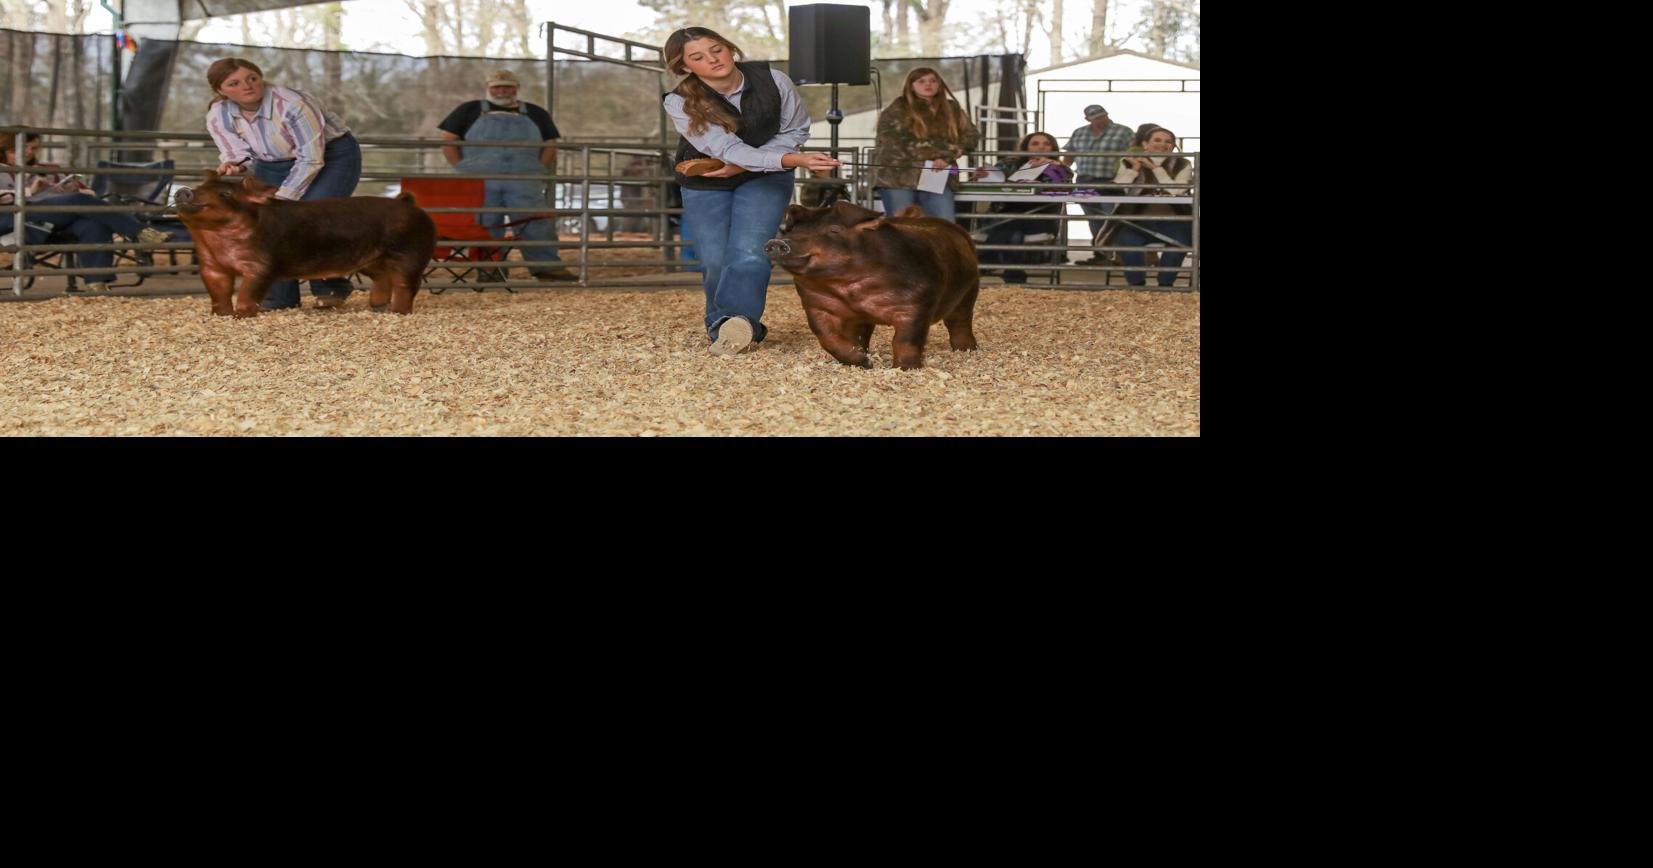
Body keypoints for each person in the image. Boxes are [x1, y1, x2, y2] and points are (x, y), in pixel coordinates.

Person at [661, 26, 841, 356]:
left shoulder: (774, 79)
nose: (712, 59)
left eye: (716, 49)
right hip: (707, 179)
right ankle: (723, 323)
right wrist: (790, 158)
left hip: (766, 177)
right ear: (686, 67)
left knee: (750, 251)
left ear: (730, 48)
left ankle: (737, 324)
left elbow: (795, 128)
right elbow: (725, 148)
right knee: (715, 259)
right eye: (698, 57)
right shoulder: (679, 101)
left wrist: (767, 161)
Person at [204, 57, 362, 310]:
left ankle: (330, 286)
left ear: (261, 78)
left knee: (315, 215)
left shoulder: (292, 103)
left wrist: (286, 197)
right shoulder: (218, 114)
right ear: (221, 91)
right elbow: (238, 152)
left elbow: (311, 158)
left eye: (252, 78)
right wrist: (235, 164)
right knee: (266, 223)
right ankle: (279, 298)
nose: (247, 86)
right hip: (273, 161)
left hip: (332, 156)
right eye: (234, 83)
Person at [438, 69, 574, 282]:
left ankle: (547, 267)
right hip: (480, 180)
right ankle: (491, 269)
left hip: (524, 179)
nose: (502, 91)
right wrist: (462, 167)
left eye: (508, 87)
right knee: (486, 224)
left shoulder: (536, 113)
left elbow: (550, 144)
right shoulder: (468, 110)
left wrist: (538, 168)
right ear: (488, 88)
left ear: (517, 88)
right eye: (497, 87)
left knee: (535, 222)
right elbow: (448, 139)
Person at [1, 131, 169, 293]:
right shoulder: (4, 171)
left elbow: (91, 195)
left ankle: (97, 283)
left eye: (33, 148)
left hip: (50, 221)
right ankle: (140, 232)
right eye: (21, 148)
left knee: (91, 222)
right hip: (16, 219)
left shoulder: (48, 169)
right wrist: (31, 191)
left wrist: (71, 191)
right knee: (78, 201)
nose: (29, 152)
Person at [871, 67, 978, 221]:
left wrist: (946, 158)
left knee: (944, 225)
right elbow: (893, 142)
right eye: (921, 81)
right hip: (899, 177)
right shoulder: (898, 108)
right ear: (911, 85)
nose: (928, 84)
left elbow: (971, 136)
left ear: (940, 85)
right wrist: (945, 153)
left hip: (938, 175)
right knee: (902, 226)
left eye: (933, 81)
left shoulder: (951, 108)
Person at [969, 131, 1072, 284]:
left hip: (1040, 217)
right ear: (1026, 147)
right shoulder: (1008, 163)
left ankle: (987, 259)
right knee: (1013, 232)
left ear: (1053, 148)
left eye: (1046, 144)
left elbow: (1066, 187)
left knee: (1008, 225)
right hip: (1005, 213)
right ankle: (1014, 277)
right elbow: (989, 180)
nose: (1041, 147)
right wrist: (982, 176)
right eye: (1035, 143)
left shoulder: (1058, 167)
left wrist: (1049, 171)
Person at [1096, 126, 1193, 287]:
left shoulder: (1183, 163)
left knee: (1181, 242)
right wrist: (1134, 169)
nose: (1162, 144)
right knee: (1127, 240)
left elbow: (1177, 190)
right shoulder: (1127, 161)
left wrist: (1155, 169)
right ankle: (1137, 285)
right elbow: (1118, 187)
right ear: (1145, 144)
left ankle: (1165, 285)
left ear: (1173, 146)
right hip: (1136, 219)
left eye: (1168, 142)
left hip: (1175, 219)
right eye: (1157, 140)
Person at [1062, 104, 1135, 262]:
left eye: (1102, 116)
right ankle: (1101, 254)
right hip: (1084, 180)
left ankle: (1121, 254)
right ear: (1087, 119)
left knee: (1113, 217)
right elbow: (1069, 156)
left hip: (1112, 182)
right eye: (1095, 118)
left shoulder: (1123, 131)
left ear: (1107, 114)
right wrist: (1061, 173)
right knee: (1093, 217)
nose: (1100, 120)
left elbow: (1135, 153)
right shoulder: (1079, 132)